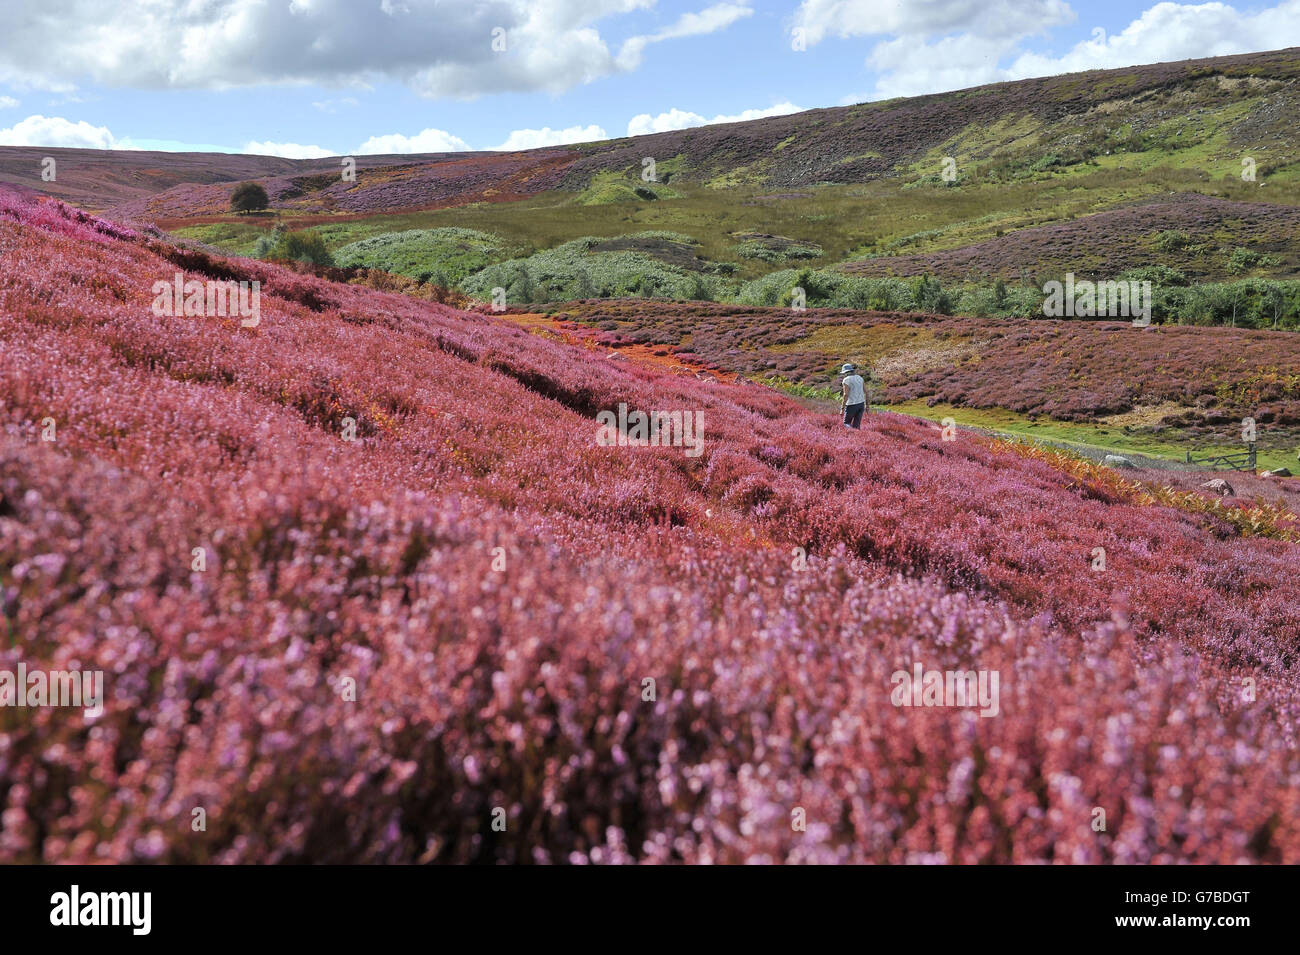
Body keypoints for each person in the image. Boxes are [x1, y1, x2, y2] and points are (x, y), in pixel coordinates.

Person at [840, 362, 866, 429]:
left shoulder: (846, 380)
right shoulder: (860, 378)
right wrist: (867, 405)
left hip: (851, 405)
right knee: (856, 425)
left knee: (846, 423)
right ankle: (857, 437)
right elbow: (866, 391)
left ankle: (850, 437)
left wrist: (842, 408)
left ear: (846, 372)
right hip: (861, 404)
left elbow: (846, 394)